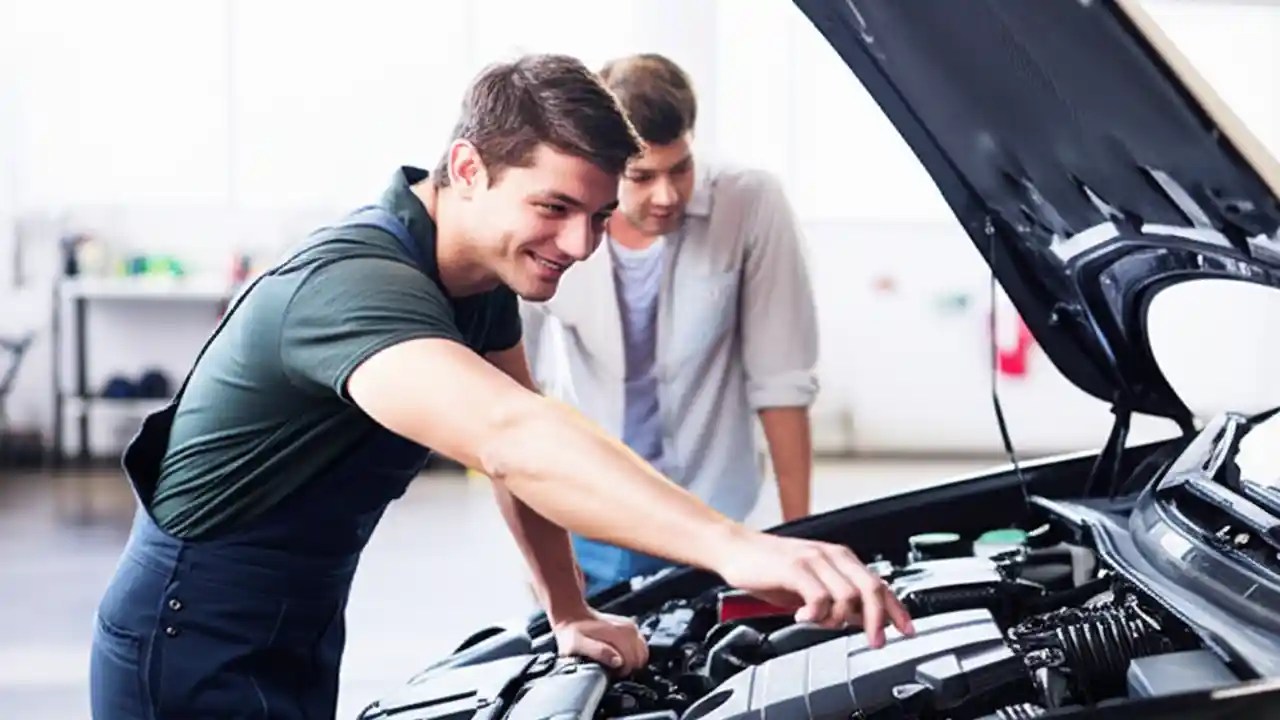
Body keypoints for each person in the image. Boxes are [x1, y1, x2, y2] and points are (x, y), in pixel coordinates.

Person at [88, 53, 910, 719]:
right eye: (554, 207)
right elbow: (513, 444)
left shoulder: (474, 286)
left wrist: (568, 608)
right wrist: (738, 546)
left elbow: (530, 429)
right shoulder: (354, 287)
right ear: (468, 168)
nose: (580, 243)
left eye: (595, 216)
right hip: (190, 639)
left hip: (295, 626)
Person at [520, 53, 821, 594]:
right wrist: (548, 574)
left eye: (681, 168)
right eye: (641, 176)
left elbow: (782, 378)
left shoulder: (750, 203)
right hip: (588, 507)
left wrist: (798, 536)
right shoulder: (551, 218)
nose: (666, 195)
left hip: (712, 511)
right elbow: (511, 400)